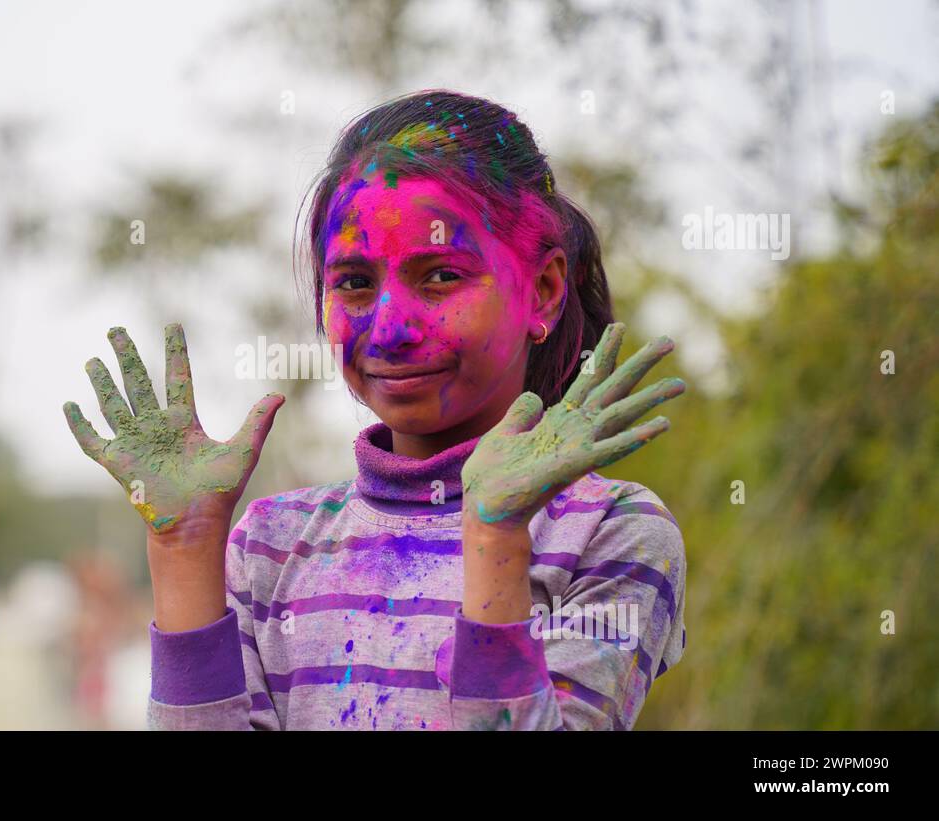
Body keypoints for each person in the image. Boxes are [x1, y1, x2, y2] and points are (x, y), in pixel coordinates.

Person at [62, 89, 687, 730]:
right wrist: (186, 552)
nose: (389, 330)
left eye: (441, 276)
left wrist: (495, 535)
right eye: (356, 283)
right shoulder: (270, 548)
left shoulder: (609, 532)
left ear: (544, 292)